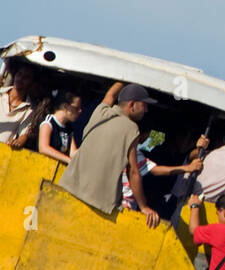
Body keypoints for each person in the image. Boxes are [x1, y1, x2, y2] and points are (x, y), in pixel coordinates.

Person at [58, 81, 161, 227]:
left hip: (69, 187)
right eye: (144, 105)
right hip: (98, 202)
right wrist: (144, 207)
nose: (146, 110)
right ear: (132, 104)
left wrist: (122, 80)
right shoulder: (132, 129)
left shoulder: (101, 111)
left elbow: (110, 95)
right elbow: (133, 172)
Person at [121, 125, 203, 214]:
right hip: (128, 203)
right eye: (189, 139)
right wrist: (187, 168)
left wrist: (200, 148)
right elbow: (156, 170)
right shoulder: (142, 154)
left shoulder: (176, 156)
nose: (148, 137)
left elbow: (188, 156)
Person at [0, 62, 41, 146]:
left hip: (3, 152)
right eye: (19, 74)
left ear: (31, 83)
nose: (20, 79)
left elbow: (23, 135)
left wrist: (18, 142)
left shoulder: (29, 109)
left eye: (26, 77)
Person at [37, 91, 82, 164]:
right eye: (76, 108)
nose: (80, 111)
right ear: (65, 107)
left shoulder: (69, 128)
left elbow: (72, 152)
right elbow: (43, 148)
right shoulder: (48, 122)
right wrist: (67, 160)